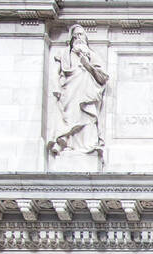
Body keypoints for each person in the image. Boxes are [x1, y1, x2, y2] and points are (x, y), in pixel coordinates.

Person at [47, 25, 109, 160]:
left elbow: (103, 77)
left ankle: (88, 145)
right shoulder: (64, 54)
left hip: (87, 93)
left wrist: (87, 64)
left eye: (81, 35)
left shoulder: (92, 55)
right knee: (68, 117)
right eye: (75, 35)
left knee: (88, 117)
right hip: (69, 92)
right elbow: (53, 73)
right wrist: (56, 87)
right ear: (71, 39)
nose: (78, 38)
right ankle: (67, 143)